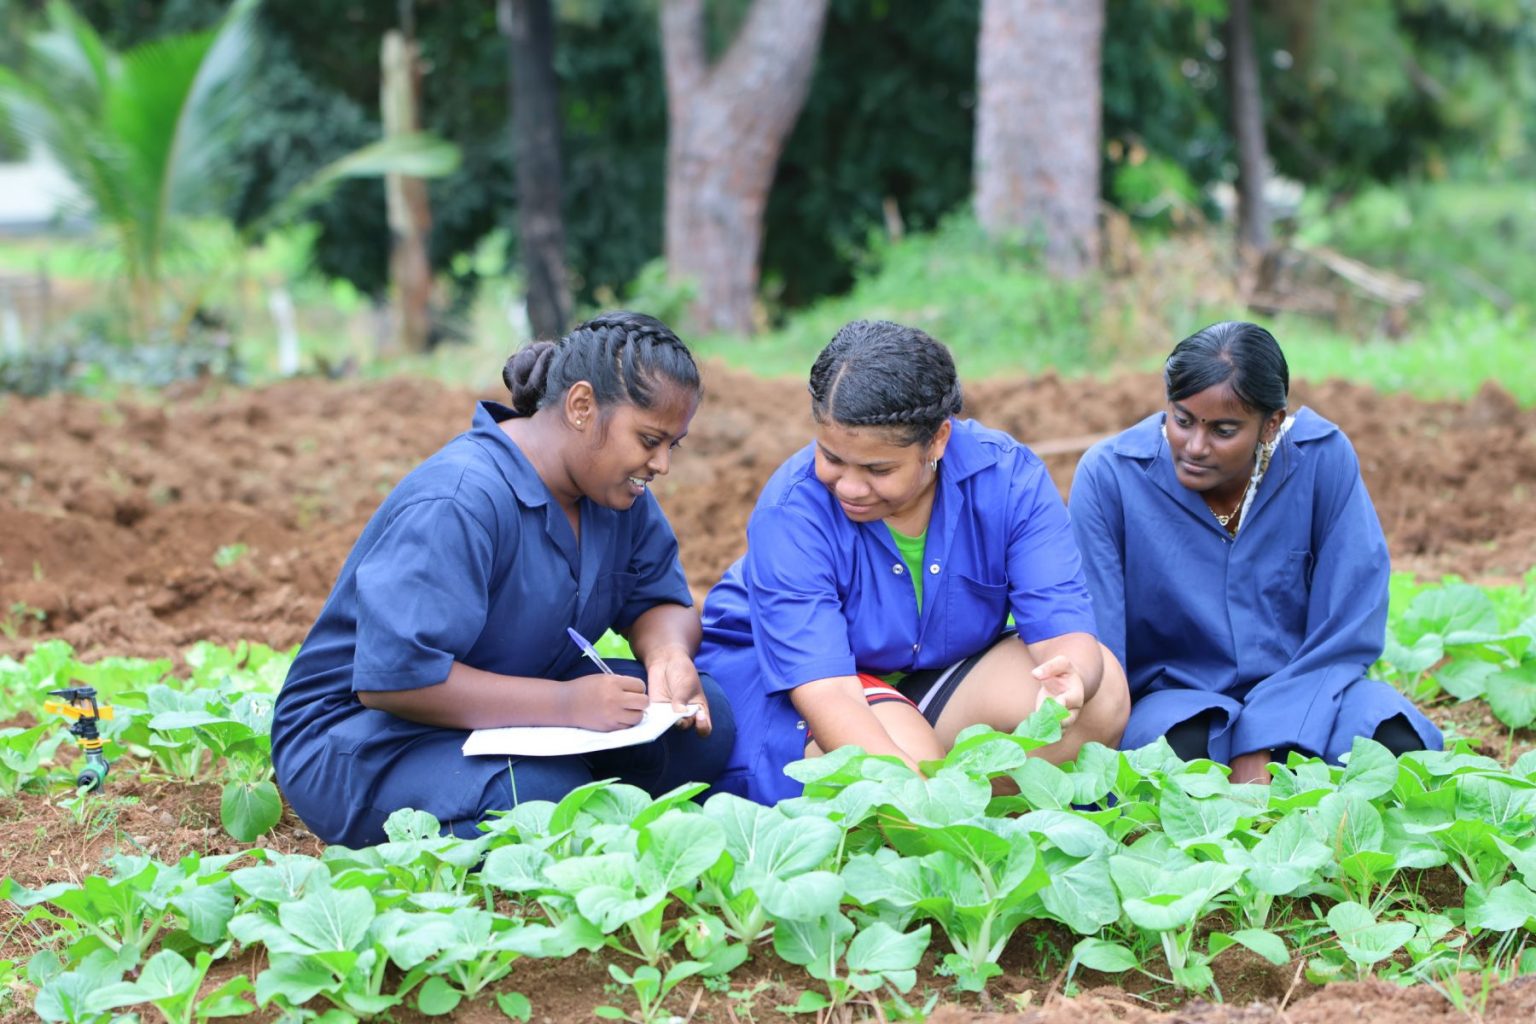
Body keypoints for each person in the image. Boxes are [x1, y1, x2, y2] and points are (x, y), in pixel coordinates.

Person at [271, 311, 734, 846]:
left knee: (706, 724)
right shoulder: (458, 500)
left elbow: (660, 600)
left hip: (504, 709)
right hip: (367, 739)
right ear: (582, 406)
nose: (661, 465)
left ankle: (568, 805)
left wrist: (668, 656)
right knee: (542, 798)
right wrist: (565, 707)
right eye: (649, 439)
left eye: (671, 445)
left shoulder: (615, 495)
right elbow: (393, 680)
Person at [697, 319, 1129, 805]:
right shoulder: (791, 511)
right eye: (832, 458)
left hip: (931, 672)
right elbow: (829, 692)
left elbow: (1061, 628)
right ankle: (940, 813)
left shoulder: (1006, 478)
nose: (850, 487)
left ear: (939, 440)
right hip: (801, 681)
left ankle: (964, 814)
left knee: (1103, 692)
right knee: (887, 761)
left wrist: (1071, 677)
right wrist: (917, 791)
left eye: (878, 469)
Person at [1068, 320, 1441, 782]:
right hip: (1181, 704)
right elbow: (1100, 641)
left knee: (1393, 744)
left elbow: (1347, 625)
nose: (1195, 446)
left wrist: (1265, 735)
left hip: (1313, 695)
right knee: (1169, 761)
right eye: (1181, 420)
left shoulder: (1322, 461)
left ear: (1271, 424)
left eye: (1224, 430)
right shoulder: (1111, 477)